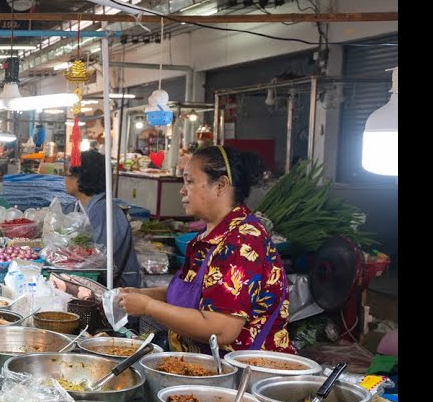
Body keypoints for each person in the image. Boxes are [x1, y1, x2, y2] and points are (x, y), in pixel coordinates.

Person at [118, 145, 295, 354]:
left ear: (220, 185)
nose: (182, 190)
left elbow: (221, 330)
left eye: (190, 181)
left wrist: (148, 306)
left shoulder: (242, 242)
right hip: (205, 364)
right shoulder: (210, 236)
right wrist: (142, 294)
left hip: (246, 374)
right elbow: (199, 295)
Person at [64, 150, 143, 288]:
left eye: (67, 173)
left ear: (81, 178)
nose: (64, 179)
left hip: (118, 289)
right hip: (94, 280)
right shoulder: (80, 206)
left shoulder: (103, 211)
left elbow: (98, 259)